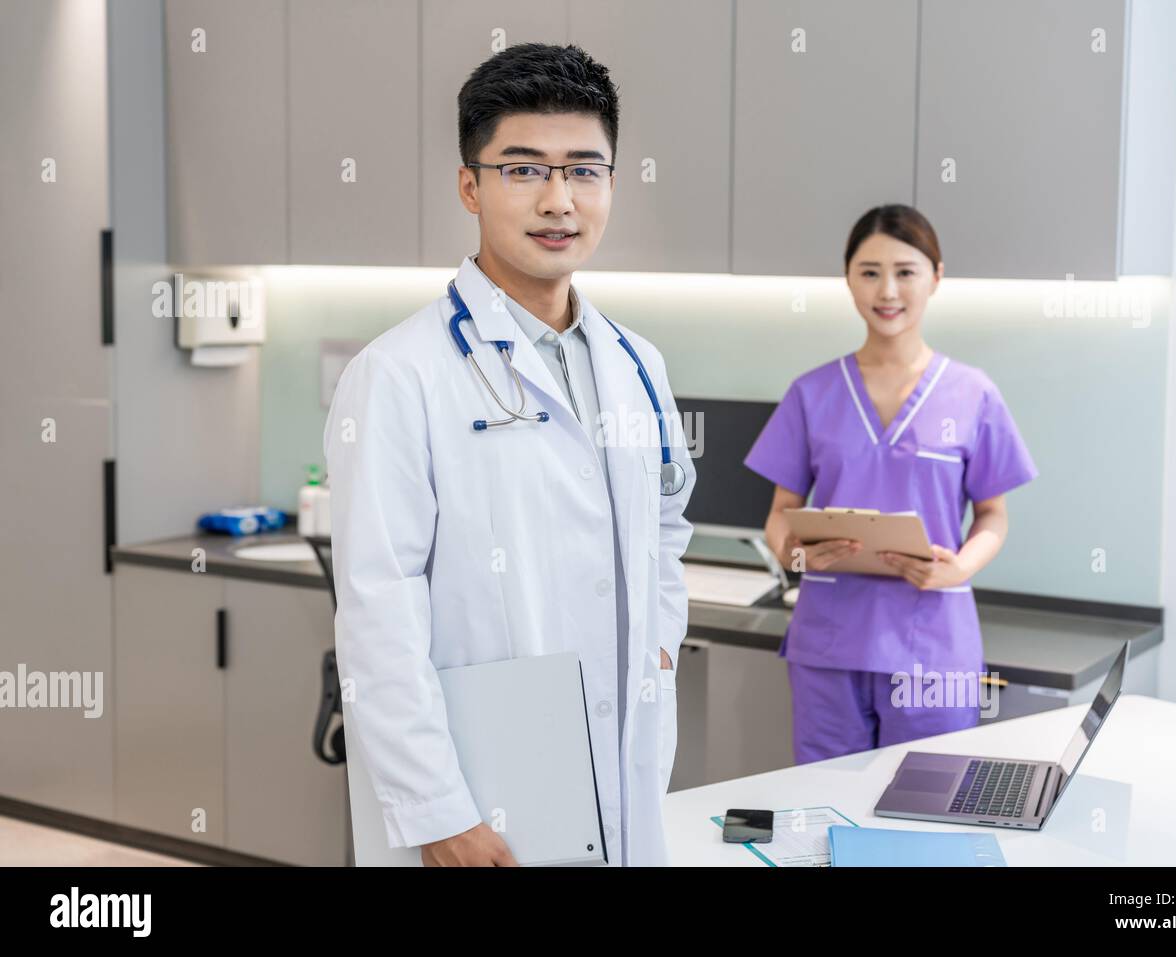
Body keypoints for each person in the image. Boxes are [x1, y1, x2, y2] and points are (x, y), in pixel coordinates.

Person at [324, 43, 695, 866]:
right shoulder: (399, 376)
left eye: (585, 170)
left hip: (620, 761)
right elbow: (377, 609)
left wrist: (659, 642)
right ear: (470, 184)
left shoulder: (636, 364)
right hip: (478, 783)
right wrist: (437, 810)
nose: (559, 200)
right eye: (524, 169)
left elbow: (668, 516)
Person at [744, 205, 1037, 764]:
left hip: (933, 643)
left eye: (905, 271)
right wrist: (798, 555)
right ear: (848, 278)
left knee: (927, 816)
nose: (888, 290)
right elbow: (782, 512)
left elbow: (993, 514)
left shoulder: (973, 394)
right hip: (830, 643)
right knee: (826, 808)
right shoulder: (812, 392)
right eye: (870, 271)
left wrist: (961, 567)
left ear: (936, 277)